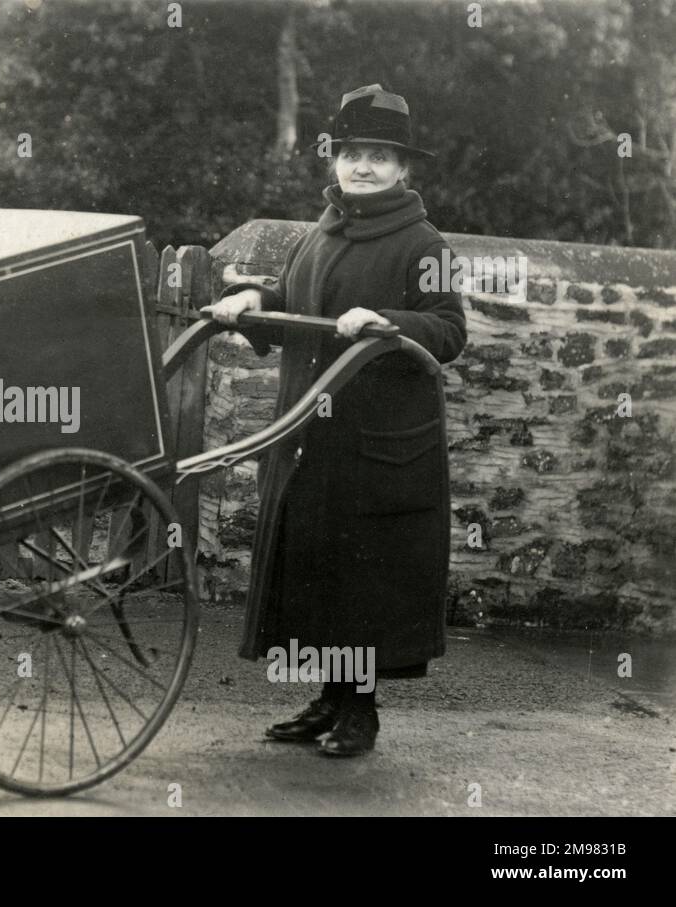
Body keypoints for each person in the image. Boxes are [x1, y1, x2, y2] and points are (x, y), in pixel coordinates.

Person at [200, 84, 467, 757]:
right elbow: (294, 301)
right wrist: (250, 301)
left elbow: (449, 328)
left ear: (404, 168)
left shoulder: (422, 242)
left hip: (379, 443)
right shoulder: (320, 232)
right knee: (315, 570)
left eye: (381, 156)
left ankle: (361, 712)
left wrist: (389, 323)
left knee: (365, 580)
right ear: (336, 161)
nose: (364, 168)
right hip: (311, 437)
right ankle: (325, 699)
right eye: (353, 155)